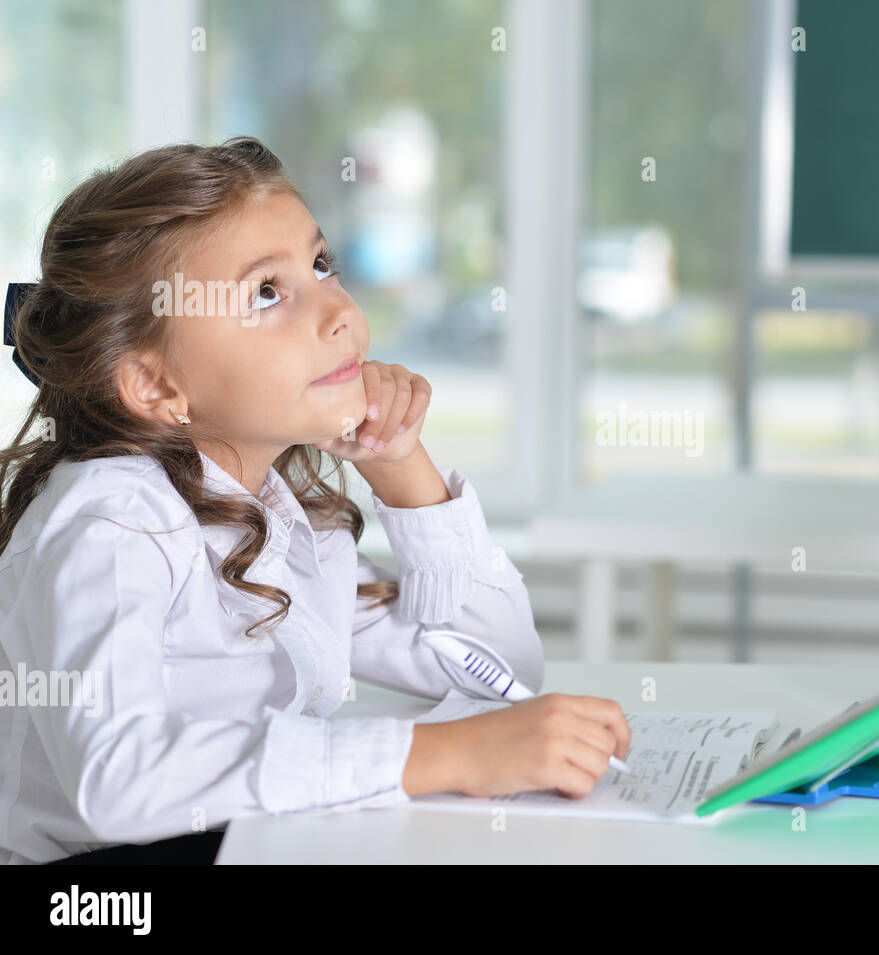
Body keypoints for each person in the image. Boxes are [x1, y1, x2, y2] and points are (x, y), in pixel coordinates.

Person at [0, 136, 630, 865]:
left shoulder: (275, 515)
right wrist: (440, 755)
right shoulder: (109, 522)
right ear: (156, 386)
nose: (335, 310)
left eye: (321, 263)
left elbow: (497, 663)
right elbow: (118, 775)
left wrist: (398, 462)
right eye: (267, 292)